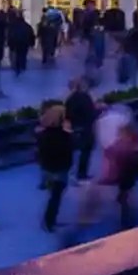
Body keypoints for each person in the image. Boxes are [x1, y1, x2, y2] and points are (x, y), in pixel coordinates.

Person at [36, 104, 73, 232]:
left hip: (47, 168)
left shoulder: (43, 134)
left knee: (53, 195)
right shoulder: (62, 135)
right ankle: (49, 222)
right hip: (59, 169)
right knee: (55, 197)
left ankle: (50, 220)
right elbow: (67, 151)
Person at [64, 79, 98, 181]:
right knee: (86, 151)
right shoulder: (86, 98)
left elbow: (67, 115)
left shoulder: (69, 99)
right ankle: (82, 173)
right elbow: (91, 113)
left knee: (71, 151)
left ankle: (67, 173)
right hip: (86, 128)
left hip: (74, 128)